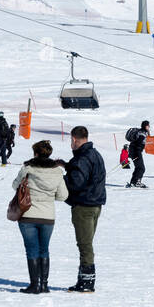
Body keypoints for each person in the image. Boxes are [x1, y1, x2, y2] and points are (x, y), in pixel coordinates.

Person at [12, 139, 68, 294]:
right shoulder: (57, 171)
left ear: (36, 153)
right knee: (44, 250)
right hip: (48, 217)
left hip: (28, 215)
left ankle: (34, 285)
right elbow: (63, 196)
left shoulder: (28, 168)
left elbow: (15, 185)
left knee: (32, 250)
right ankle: (44, 285)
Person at [61, 125, 106, 293]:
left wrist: (60, 179)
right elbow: (87, 173)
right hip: (95, 205)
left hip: (84, 206)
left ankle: (87, 282)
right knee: (86, 243)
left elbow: (76, 183)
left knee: (85, 245)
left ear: (74, 139)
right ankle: (84, 281)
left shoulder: (82, 158)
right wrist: (67, 165)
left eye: (71, 141)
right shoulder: (95, 154)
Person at [125, 121, 150, 188]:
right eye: (148, 125)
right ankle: (137, 182)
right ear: (145, 126)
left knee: (138, 167)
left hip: (134, 152)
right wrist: (137, 153)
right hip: (136, 152)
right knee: (141, 168)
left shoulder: (141, 132)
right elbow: (137, 144)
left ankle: (133, 182)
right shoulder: (142, 133)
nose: (149, 127)